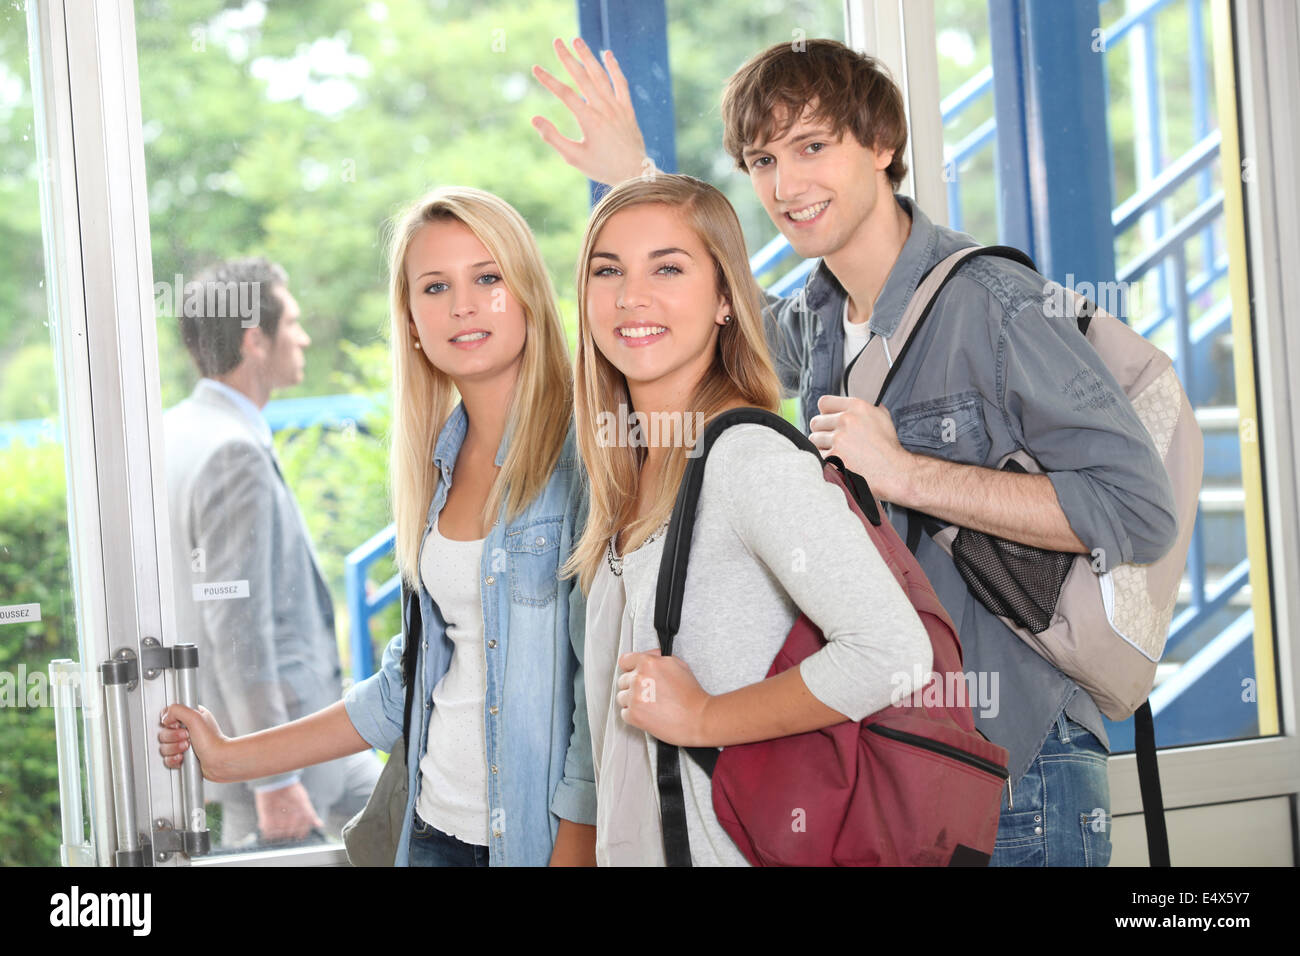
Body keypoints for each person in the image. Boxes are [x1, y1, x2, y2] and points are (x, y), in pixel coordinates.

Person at [534, 37, 1178, 866]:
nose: (785, 184)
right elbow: (697, 306)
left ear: (882, 146)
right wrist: (638, 175)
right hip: (902, 761)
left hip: (1018, 759)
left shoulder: (994, 304)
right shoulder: (823, 318)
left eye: (812, 147)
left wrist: (909, 474)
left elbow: (1137, 510)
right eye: (763, 159)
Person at [160, 187, 597, 866]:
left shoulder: (587, 456)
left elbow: (600, 695)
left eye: (487, 278)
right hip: (427, 835)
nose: (462, 305)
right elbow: (405, 686)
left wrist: (577, 849)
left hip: (535, 846)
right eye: (434, 286)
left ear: (530, 294)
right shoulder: (436, 469)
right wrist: (228, 758)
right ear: (413, 322)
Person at [564, 172, 932, 866]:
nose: (630, 296)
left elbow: (893, 653)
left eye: (667, 268)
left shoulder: (746, 459)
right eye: (606, 270)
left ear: (726, 301)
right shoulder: (624, 474)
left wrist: (704, 718)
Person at [164, 257, 381, 848]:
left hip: (272, 741)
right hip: (277, 753)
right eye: (293, 323)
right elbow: (237, 623)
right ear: (255, 340)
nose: (305, 337)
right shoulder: (234, 451)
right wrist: (274, 777)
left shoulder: (176, 431)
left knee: (407, 808)